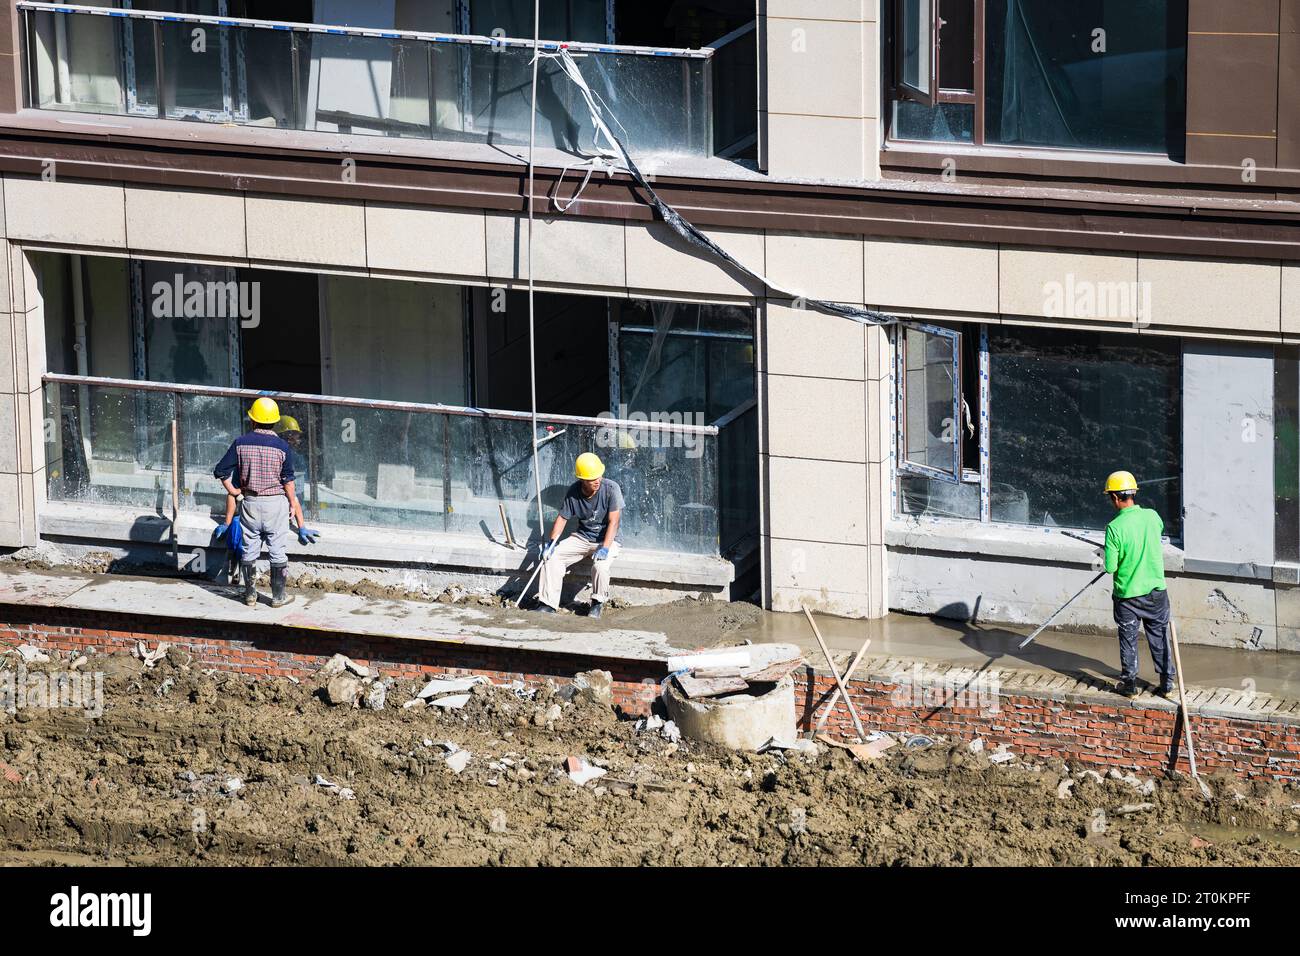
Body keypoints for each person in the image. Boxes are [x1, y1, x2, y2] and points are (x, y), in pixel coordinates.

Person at [213, 397, 316, 608]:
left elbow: (220, 471)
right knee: (277, 550)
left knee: (249, 549)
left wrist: (234, 491)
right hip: (275, 504)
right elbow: (288, 482)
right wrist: (292, 506)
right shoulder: (282, 447)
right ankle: (277, 597)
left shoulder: (240, 443)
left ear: (252, 420)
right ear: (275, 422)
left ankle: (250, 595)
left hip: (250, 502)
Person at [1103, 470, 1175, 698]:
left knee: (1128, 638)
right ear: (1133, 493)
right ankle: (1167, 684)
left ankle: (1130, 685)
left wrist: (1105, 553)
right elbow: (1155, 534)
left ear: (1115, 498)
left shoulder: (1114, 528)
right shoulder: (1153, 516)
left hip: (1128, 597)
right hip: (1156, 592)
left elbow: (1111, 567)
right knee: (1159, 636)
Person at [534, 452, 622, 619]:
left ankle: (597, 603)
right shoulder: (574, 491)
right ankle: (547, 604)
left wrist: (605, 548)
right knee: (552, 558)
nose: (597, 480)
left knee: (600, 566)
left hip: (608, 539)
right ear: (582, 479)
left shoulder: (611, 488)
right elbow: (562, 518)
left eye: (599, 476)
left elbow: (614, 522)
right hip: (582, 537)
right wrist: (551, 544)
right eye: (591, 479)